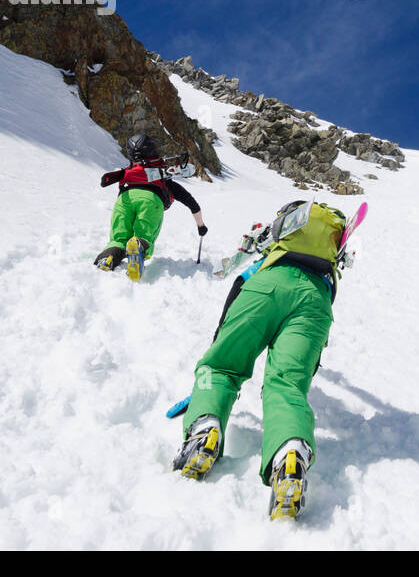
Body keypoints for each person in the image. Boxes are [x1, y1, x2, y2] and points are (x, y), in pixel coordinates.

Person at [172, 200, 347, 520]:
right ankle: (290, 453)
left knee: (221, 367)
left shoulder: (273, 242)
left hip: (265, 288)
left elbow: (240, 284)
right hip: (315, 302)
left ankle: (205, 425)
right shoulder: (331, 254)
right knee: (288, 387)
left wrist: (218, 345)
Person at [94, 133, 207, 280]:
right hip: (150, 201)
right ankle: (138, 247)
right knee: (143, 236)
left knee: (118, 238)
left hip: (124, 200)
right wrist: (201, 226)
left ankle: (108, 257)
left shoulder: (127, 174)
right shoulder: (164, 179)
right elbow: (192, 204)